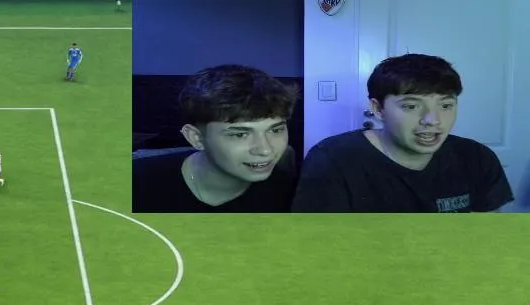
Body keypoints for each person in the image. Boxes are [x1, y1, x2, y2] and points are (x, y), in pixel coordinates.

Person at [293, 54, 513, 213]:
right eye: (411, 106)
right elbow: (320, 246)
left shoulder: (476, 157)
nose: (432, 120)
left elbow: (488, 235)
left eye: (446, 105)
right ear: (378, 109)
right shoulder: (333, 159)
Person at [132, 65, 298, 213]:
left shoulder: (294, 194)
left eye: (275, 130)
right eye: (240, 134)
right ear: (196, 138)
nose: (265, 149)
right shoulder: (137, 183)